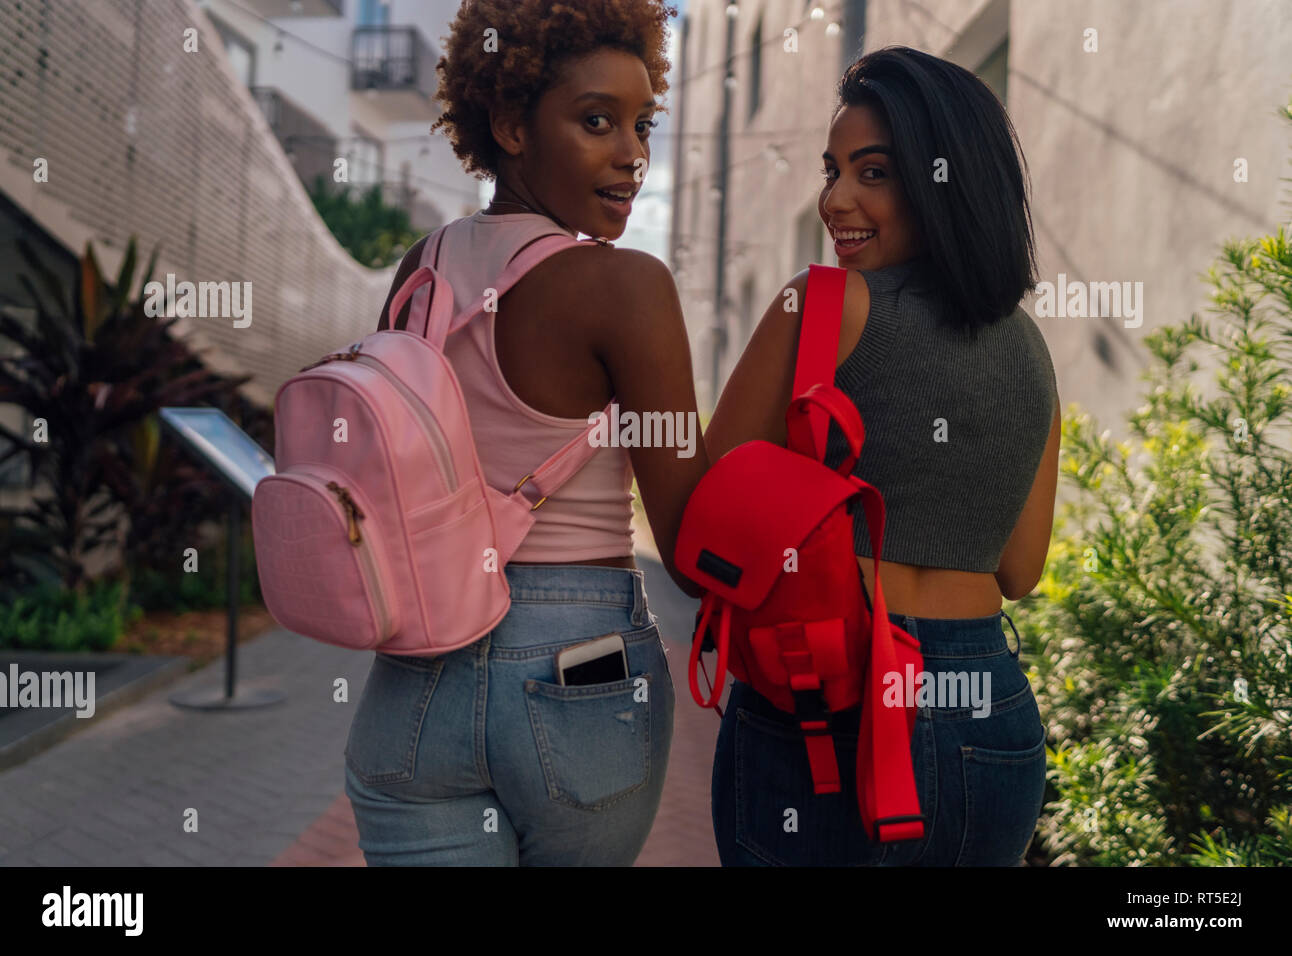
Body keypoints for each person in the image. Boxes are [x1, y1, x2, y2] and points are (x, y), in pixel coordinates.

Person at [343, 0, 707, 866]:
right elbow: (691, 549)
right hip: (582, 672)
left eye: (641, 124)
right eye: (595, 121)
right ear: (508, 123)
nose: (632, 154)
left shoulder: (419, 270)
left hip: (416, 676)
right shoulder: (626, 288)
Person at [703, 46, 1061, 866]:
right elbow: (1020, 569)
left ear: (947, 179)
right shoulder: (1032, 349)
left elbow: (708, 530)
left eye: (873, 173)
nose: (834, 200)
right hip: (988, 704)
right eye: (833, 172)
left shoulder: (821, 305)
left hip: (830, 690)